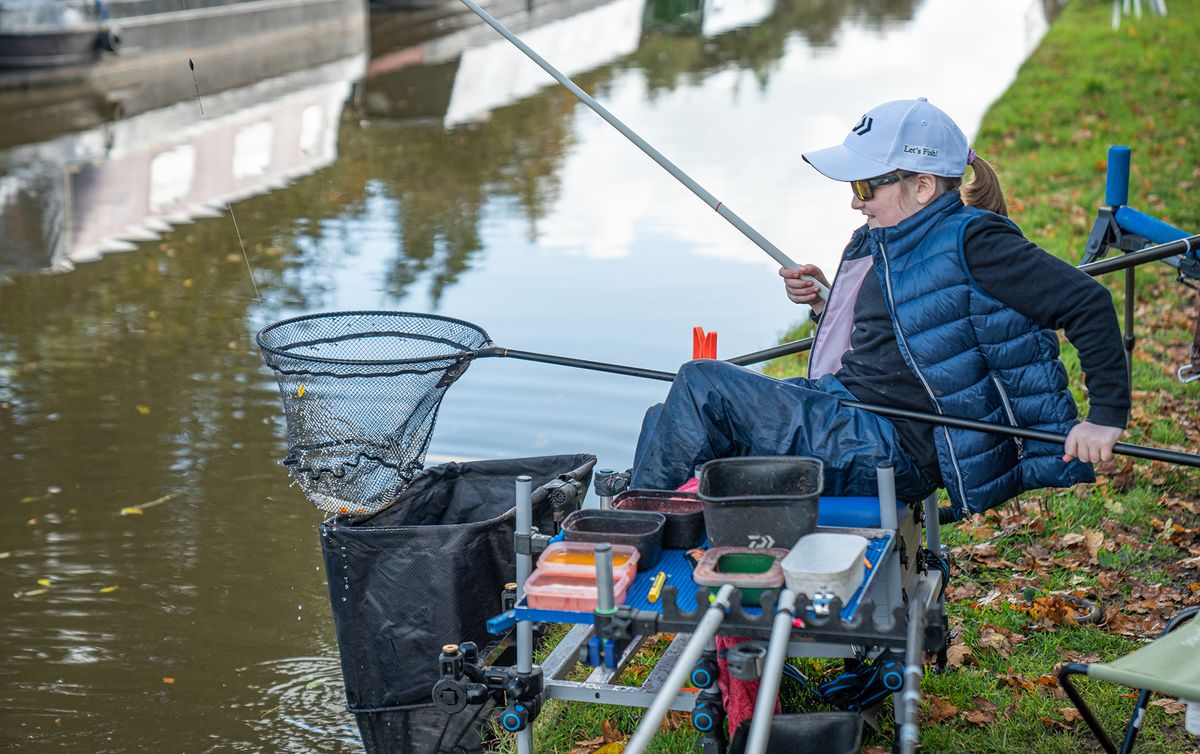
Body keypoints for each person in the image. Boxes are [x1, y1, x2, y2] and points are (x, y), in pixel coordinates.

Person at [630, 98, 1129, 519]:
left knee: (702, 383)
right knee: (667, 417)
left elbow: (1086, 301)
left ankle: (637, 531)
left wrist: (1105, 417)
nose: (855, 202)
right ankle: (676, 525)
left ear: (923, 186)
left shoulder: (975, 242)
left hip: (889, 444)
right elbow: (904, 333)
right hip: (850, 410)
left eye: (865, 187)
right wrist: (826, 302)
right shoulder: (891, 238)